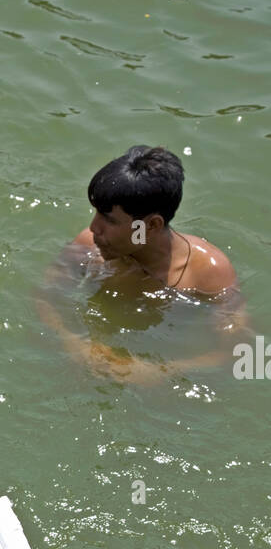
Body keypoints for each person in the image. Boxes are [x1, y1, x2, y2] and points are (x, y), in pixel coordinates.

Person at [36, 145, 247, 382]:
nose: (94, 227)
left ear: (151, 225)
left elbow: (234, 353)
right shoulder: (90, 244)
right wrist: (73, 343)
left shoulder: (208, 273)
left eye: (109, 219)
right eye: (96, 213)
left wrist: (157, 373)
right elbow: (46, 297)